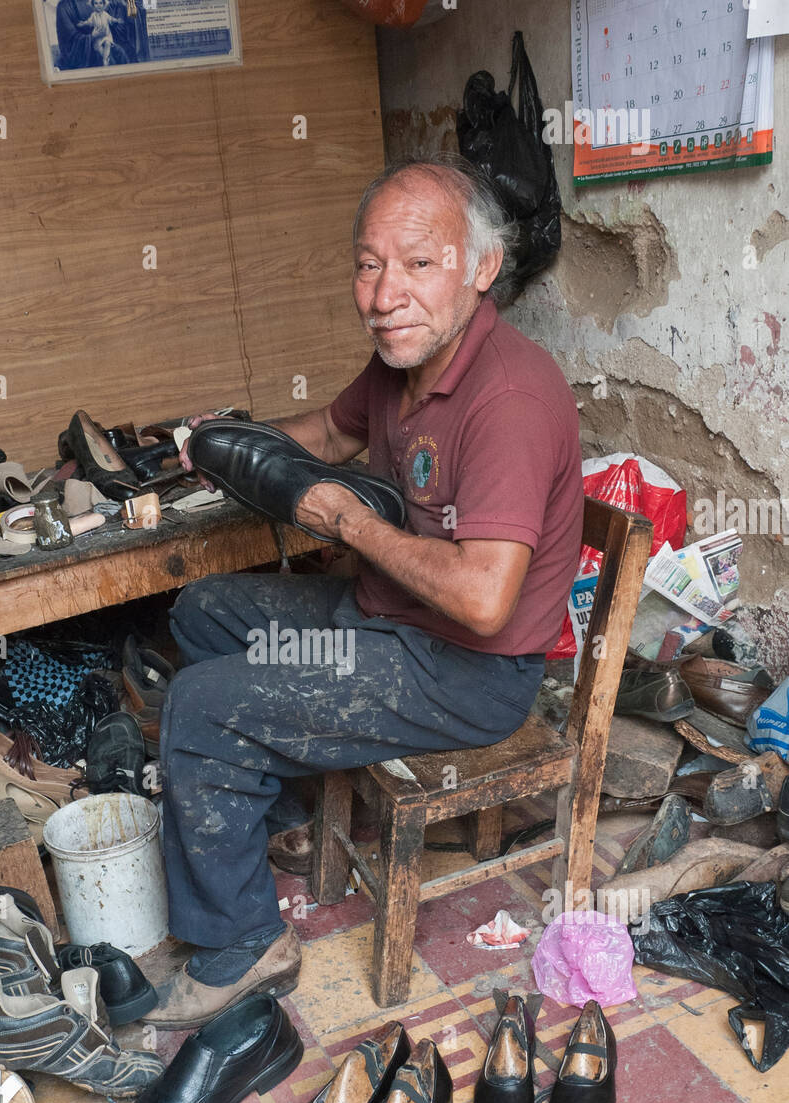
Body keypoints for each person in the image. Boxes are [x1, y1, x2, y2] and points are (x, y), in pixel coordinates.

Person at [143, 156, 584, 1031]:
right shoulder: (405, 358)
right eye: (367, 263)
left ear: (480, 269)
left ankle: (241, 945)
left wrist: (346, 524)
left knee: (200, 705)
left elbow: (484, 601)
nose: (385, 295)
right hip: (386, 617)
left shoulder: (509, 398)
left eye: (419, 264)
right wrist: (226, 445)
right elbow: (328, 433)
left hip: (462, 671)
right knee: (203, 612)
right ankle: (271, 812)